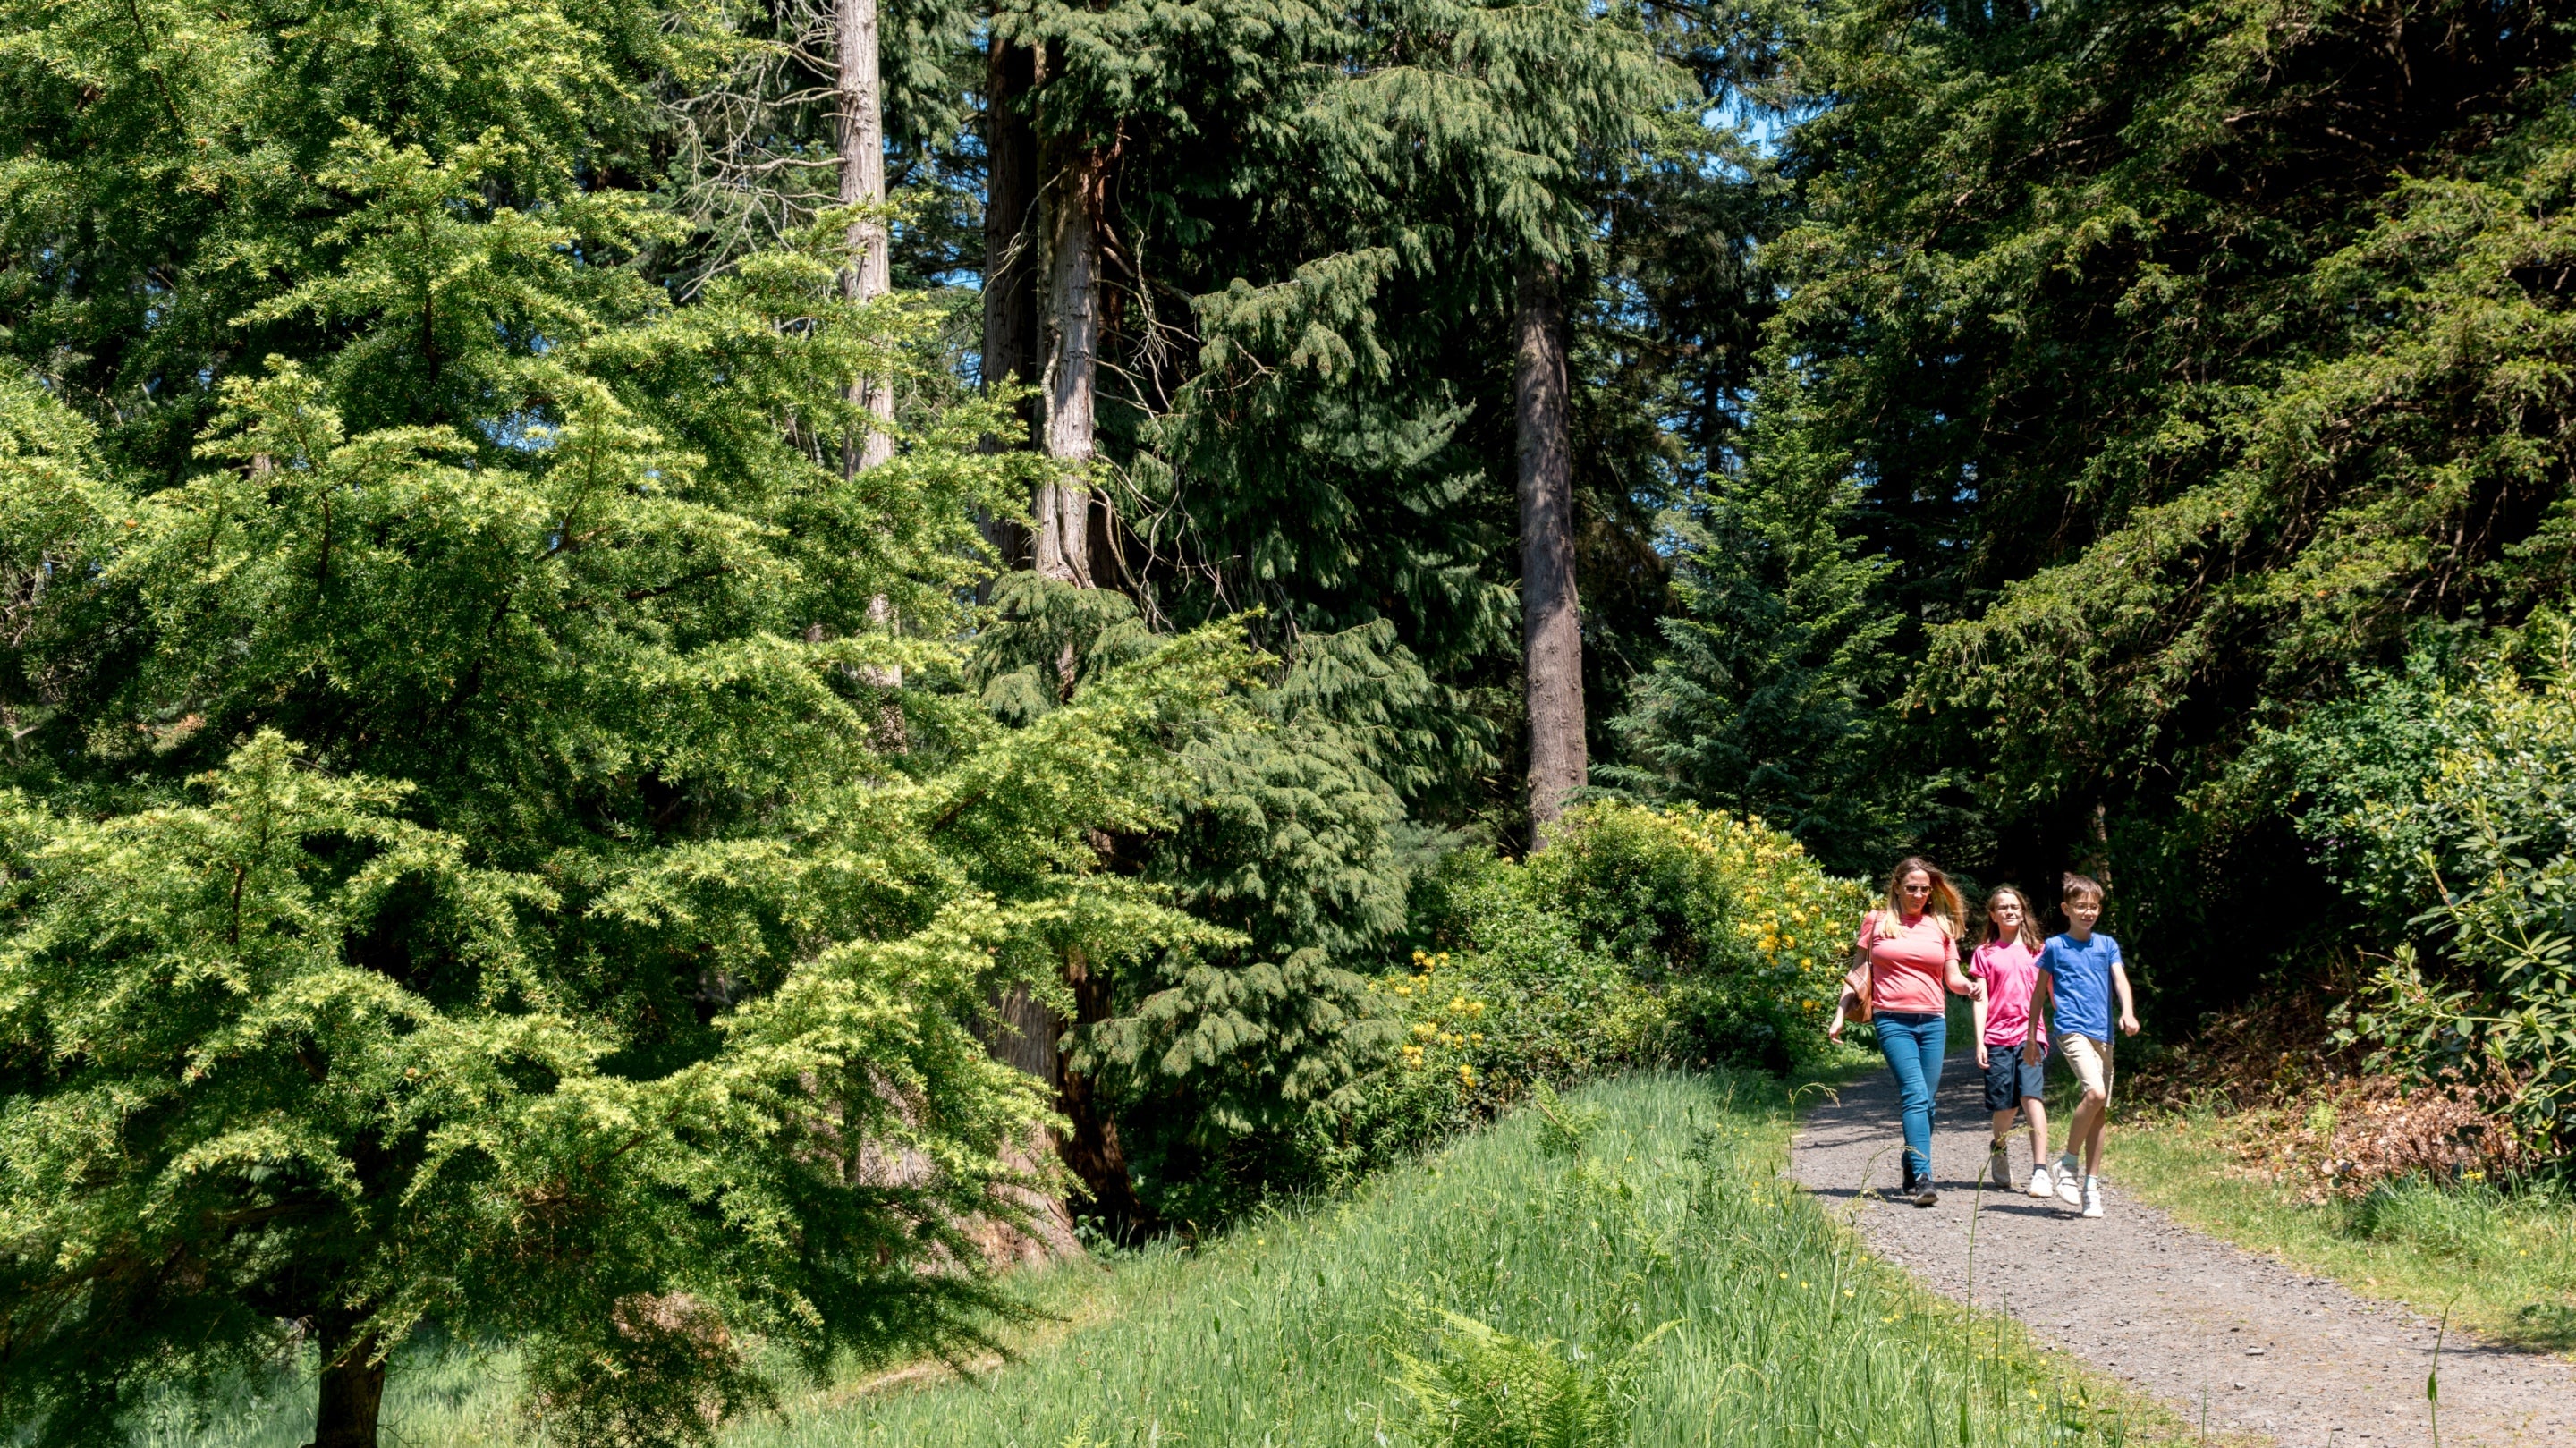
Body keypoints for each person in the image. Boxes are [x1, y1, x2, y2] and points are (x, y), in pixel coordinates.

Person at [1827, 857, 1981, 1207]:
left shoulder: (1940, 926)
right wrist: (1840, 1014)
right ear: (1896, 886)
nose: (1918, 894)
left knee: (1928, 1103)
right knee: (1914, 1094)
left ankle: (1911, 1162)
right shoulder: (1876, 921)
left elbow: (1952, 977)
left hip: (1933, 1021)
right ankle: (1925, 1177)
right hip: (1892, 1019)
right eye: (1912, 887)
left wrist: (1968, 987)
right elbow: (1857, 974)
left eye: (1925, 889)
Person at [2026, 872, 2139, 1219]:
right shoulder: (2055, 947)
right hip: (2071, 1030)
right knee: (2096, 1094)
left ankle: (2091, 1186)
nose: (2088, 912)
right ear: (2066, 909)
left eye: (2093, 907)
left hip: (2104, 1034)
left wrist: (2128, 1012)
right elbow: (2037, 994)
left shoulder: (2106, 945)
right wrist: (2031, 1035)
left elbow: (2120, 979)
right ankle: (2067, 1164)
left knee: (2100, 1113)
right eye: (2080, 907)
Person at [1968, 886, 2054, 1198]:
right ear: (1993, 915)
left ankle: (2040, 1170)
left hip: (2032, 1035)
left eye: (2014, 906)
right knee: (2006, 1106)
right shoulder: (1984, 953)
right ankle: (1999, 1148)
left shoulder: (2040, 951)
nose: (2009, 911)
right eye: (2002, 907)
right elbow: (1981, 1000)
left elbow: (2054, 994)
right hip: (1996, 1037)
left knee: (2032, 1097)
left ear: (2023, 911)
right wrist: (1980, 1041)